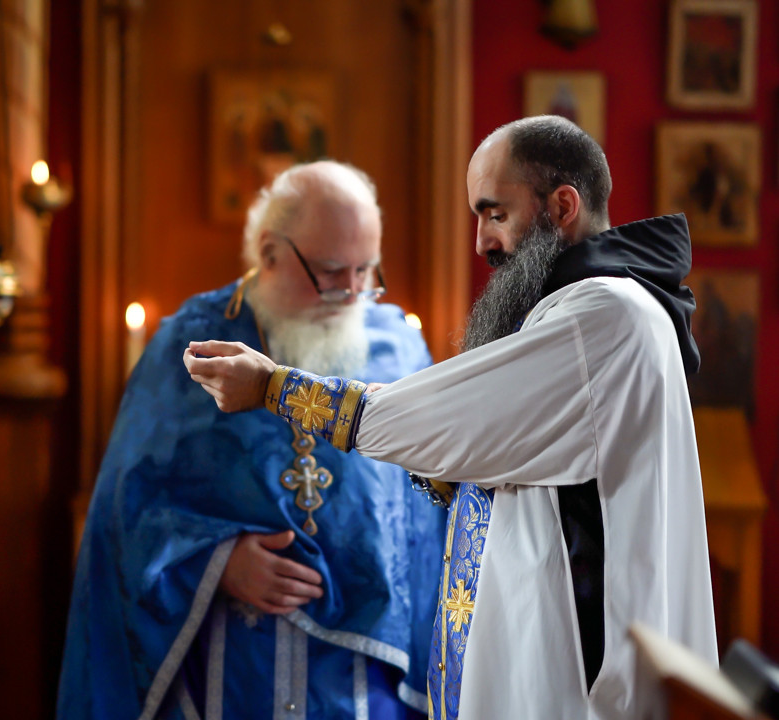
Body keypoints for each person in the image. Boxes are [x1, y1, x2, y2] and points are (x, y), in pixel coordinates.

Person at [184, 116, 718, 719]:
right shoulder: (596, 308)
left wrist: (273, 386)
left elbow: (446, 423)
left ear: (563, 206)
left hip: (573, 683)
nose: (482, 242)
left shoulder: (602, 313)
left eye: (496, 213)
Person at [58, 160, 446, 719]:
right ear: (269, 252)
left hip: (361, 680)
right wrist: (216, 562)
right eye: (332, 271)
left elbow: (425, 522)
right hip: (230, 662)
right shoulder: (193, 343)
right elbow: (128, 511)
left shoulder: (400, 351)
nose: (352, 293)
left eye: (366, 270)